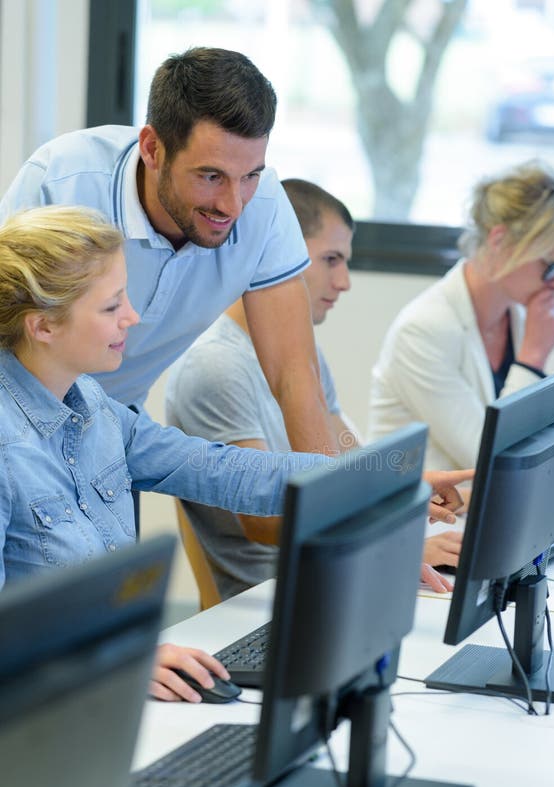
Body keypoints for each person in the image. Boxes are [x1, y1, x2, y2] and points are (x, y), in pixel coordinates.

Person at [0, 207, 465, 700]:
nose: (132, 317)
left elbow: (224, 470)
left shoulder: (94, 407)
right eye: (112, 306)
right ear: (43, 327)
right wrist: (107, 655)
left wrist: (381, 480)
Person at [0, 47, 338, 455]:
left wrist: (334, 504)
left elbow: (293, 375)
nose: (232, 205)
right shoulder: (60, 183)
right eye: (211, 176)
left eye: (250, 175)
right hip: (17, 425)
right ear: (153, 149)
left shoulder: (263, 205)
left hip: (117, 427)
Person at [166, 179, 465, 600]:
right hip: (274, 599)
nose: (343, 281)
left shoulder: (303, 354)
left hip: (334, 574)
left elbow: (345, 454)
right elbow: (263, 515)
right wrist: (390, 542)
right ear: (279, 255)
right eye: (331, 259)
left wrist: (408, 486)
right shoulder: (216, 366)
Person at [368, 159, 554, 483]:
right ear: (500, 241)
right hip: (430, 525)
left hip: (483, 515)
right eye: (552, 267)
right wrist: (532, 358)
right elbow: (492, 459)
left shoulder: (516, 315)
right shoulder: (423, 330)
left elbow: (524, 437)